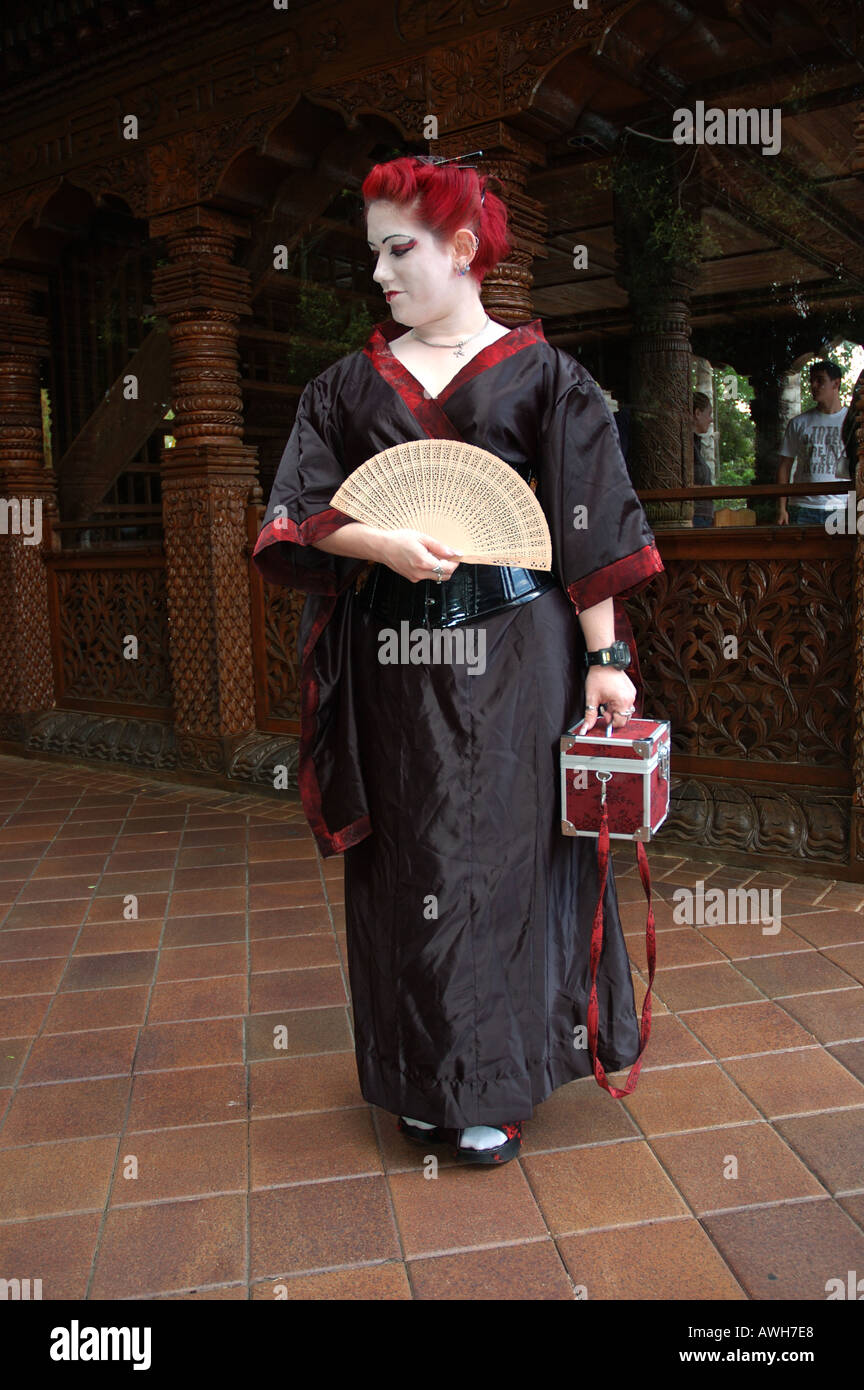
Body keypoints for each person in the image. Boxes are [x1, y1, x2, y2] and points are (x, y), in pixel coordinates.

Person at [251, 155, 664, 1166]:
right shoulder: (345, 386)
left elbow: (589, 528)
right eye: (375, 254)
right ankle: (419, 1077)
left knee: (511, 860)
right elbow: (296, 511)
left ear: (464, 250)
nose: (383, 274)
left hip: (523, 655)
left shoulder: (548, 377)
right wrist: (380, 543)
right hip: (392, 661)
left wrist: (606, 659)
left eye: (403, 250)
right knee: (409, 863)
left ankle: (497, 1082)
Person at [777, 360, 850, 526]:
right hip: (803, 505)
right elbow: (784, 465)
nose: (814, 385)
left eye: (820, 380)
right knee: (802, 552)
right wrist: (782, 507)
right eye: (811, 381)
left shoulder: (851, 421)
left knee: (841, 552)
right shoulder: (799, 423)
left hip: (842, 504)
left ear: (836, 383)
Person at [692, 391, 714, 527]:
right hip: (694, 516)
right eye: (709, 414)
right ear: (697, 413)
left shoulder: (694, 444)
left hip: (702, 516)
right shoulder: (685, 445)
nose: (711, 419)